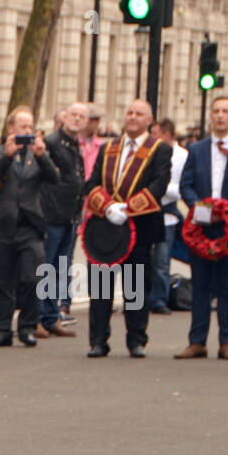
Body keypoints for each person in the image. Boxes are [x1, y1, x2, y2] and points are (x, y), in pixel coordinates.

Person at [81, 99, 172, 357]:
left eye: (139, 114)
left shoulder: (160, 150)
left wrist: (128, 209)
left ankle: (136, 340)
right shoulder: (108, 147)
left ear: (149, 120)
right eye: (130, 112)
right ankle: (98, 340)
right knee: (100, 287)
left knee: (136, 286)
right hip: (105, 226)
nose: (132, 117)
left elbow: (159, 185)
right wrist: (109, 207)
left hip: (140, 227)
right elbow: (92, 182)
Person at [177, 96, 228, 360]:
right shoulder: (197, 149)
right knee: (200, 285)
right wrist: (201, 209)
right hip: (202, 225)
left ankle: (227, 341)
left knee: (227, 285)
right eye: (216, 111)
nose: (220, 115)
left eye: (226, 111)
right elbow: (186, 185)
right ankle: (197, 341)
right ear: (210, 115)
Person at [0, 107, 58, 348]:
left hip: (30, 226)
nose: (26, 131)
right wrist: (7, 156)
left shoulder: (37, 154)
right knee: (2, 280)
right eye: (22, 127)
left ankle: (27, 327)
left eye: (30, 127)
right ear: (10, 128)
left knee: (32, 277)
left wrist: (43, 156)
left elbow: (54, 178)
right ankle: (3, 329)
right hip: (3, 225)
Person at [36, 102, 86, 338]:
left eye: (81, 117)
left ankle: (51, 316)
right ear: (64, 117)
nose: (76, 119)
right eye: (73, 115)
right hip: (52, 214)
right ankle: (37, 317)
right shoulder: (52, 142)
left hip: (70, 216)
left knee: (59, 269)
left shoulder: (75, 144)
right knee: (45, 268)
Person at [147, 119, 189, 315]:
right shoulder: (148, 151)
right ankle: (140, 297)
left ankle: (159, 299)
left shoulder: (183, 155)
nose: (152, 137)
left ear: (167, 134)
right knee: (142, 259)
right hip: (147, 211)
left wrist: (162, 187)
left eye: (155, 133)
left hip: (167, 214)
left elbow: (182, 187)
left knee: (162, 260)